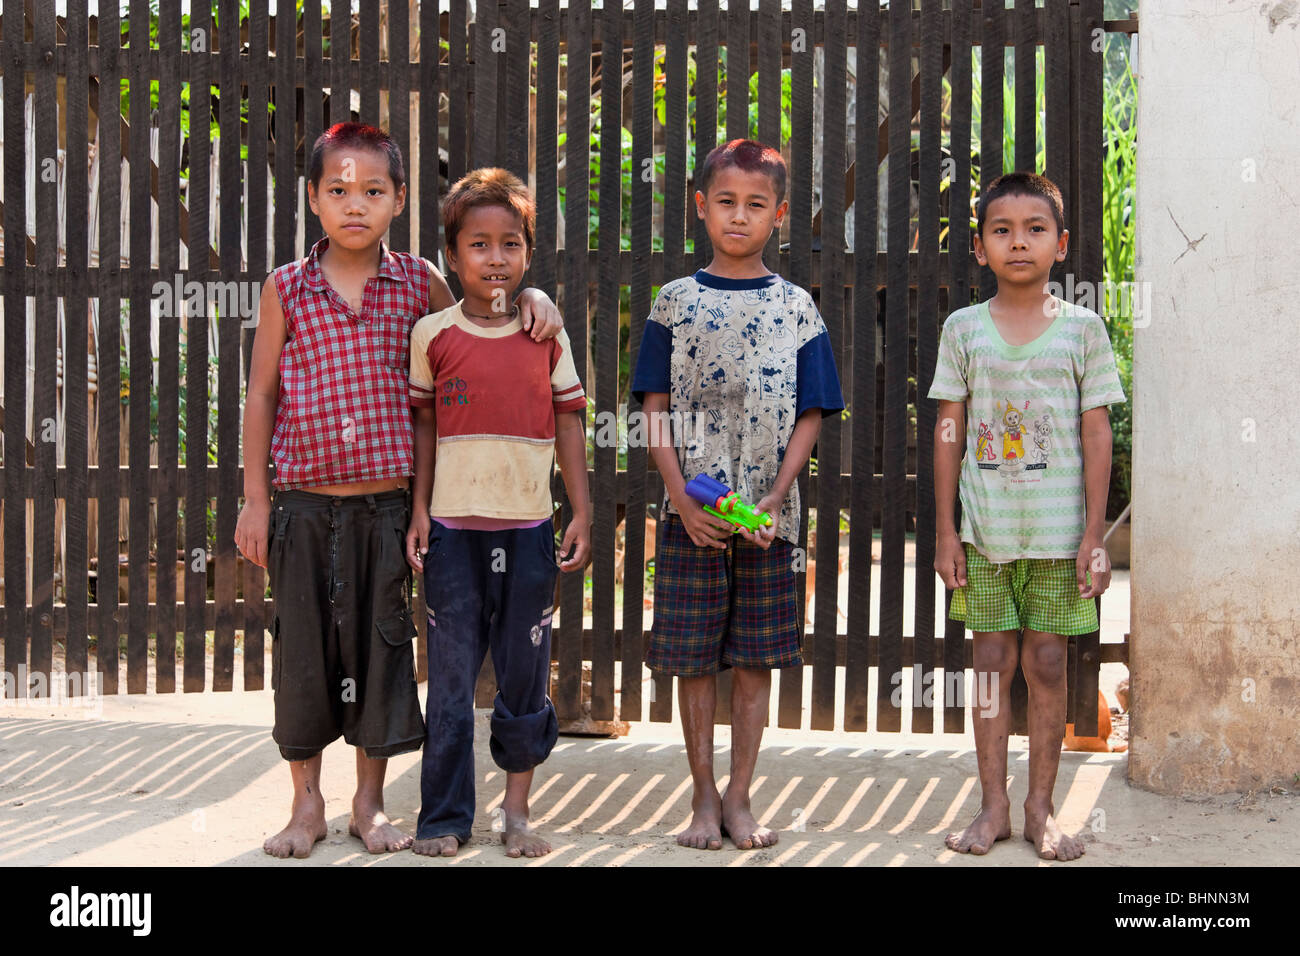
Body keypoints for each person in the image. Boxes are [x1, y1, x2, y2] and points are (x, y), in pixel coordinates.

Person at [235, 124, 563, 859]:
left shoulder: (419, 281)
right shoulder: (286, 286)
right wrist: (256, 500)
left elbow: (483, 321)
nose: (356, 204)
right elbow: (261, 395)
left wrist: (537, 295)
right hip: (302, 505)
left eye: (374, 191)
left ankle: (370, 802)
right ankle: (305, 803)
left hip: (388, 508)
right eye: (339, 190)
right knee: (303, 657)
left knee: (382, 655)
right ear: (314, 199)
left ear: (398, 199)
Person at [630, 139, 844, 851]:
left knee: (755, 659)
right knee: (692, 658)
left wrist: (779, 498)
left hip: (770, 523)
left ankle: (741, 798)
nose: (739, 216)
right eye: (726, 202)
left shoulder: (797, 308)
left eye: (756, 205)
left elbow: (812, 411)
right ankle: (700, 798)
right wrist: (679, 498)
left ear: (780, 215)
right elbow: (653, 408)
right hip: (689, 514)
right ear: (701, 206)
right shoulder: (674, 303)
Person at [930, 171, 1126, 861]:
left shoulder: (1081, 329)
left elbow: (1097, 432)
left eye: (1035, 229)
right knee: (988, 661)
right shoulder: (963, 330)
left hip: (1056, 534)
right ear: (980, 248)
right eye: (1002, 230)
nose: (1019, 241)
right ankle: (993, 807)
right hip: (985, 534)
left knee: (1047, 661)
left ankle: (1042, 806)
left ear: (1061, 244)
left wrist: (1094, 536)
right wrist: (948, 530)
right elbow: (948, 429)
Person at [405, 167, 591, 859]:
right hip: (453, 533)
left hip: (528, 530)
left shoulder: (546, 334)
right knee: (450, 680)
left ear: (527, 253)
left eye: (509, 244)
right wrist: (421, 509)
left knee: (524, 674)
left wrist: (581, 510)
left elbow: (571, 422)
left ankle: (516, 812)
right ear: (452, 256)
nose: (495, 258)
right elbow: (423, 428)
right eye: (478, 245)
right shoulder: (433, 335)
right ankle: (444, 818)